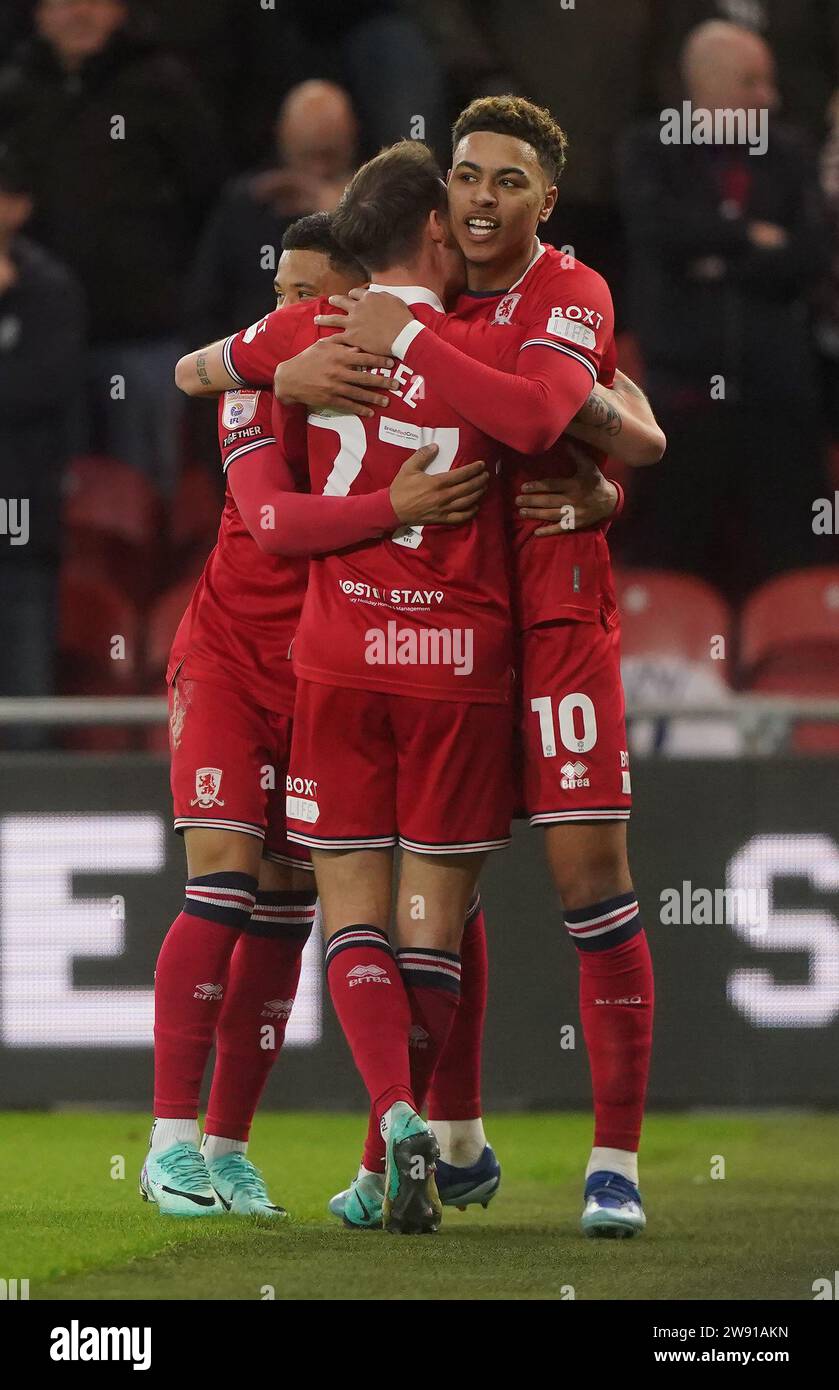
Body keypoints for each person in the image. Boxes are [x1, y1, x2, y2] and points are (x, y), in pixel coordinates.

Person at [177, 117, 664, 1236]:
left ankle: (604, 1162)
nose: (484, 197)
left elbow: (610, 420)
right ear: (438, 212)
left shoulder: (561, 289)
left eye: (509, 180)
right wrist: (274, 361)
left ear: (548, 197)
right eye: (465, 177)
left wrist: (608, 490)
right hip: (460, 647)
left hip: (523, 618)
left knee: (579, 880)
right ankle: (438, 1137)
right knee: (438, 903)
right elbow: (204, 367)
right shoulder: (385, 319)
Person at [143, 214, 491, 1219]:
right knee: (221, 883)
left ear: (359, 301)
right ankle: (167, 1143)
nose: (286, 312)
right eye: (279, 293)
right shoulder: (256, 386)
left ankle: (228, 1147)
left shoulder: (399, 394)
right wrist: (397, 505)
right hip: (225, 664)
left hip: (328, 678)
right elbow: (271, 523)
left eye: (308, 294)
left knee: (289, 917)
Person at [619, 19, 829, 596]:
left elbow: (809, 255)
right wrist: (750, 237)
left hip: (778, 399)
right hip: (682, 400)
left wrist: (714, 256)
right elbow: (662, 233)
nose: (771, 97)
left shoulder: (790, 153)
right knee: (669, 565)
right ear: (704, 87)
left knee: (800, 565)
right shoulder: (648, 150)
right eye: (752, 82)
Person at [0, 0, 222, 497]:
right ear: (37, 14)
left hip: (144, 336)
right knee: (42, 492)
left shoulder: (163, 86)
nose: (80, 12)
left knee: (144, 496)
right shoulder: (13, 94)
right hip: (38, 337)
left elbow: (207, 194)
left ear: (121, 10)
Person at [0, 152, 85, 750]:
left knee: (27, 688)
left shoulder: (49, 291)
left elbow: (39, 389)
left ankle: (29, 815)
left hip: (23, 513)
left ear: (19, 207)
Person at [185, 82, 359, 348]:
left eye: (329, 156)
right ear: (282, 137)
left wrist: (342, 213)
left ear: (353, 137)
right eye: (309, 155)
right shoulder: (247, 204)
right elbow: (204, 307)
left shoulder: (374, 210)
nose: (318, 171)